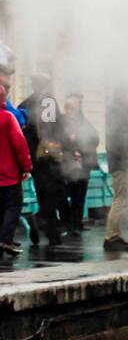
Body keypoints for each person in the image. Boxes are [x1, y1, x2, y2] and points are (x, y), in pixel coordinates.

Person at [19, 73, 65, 247]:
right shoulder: (49, 102)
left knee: (44, 194)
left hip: (34, 159)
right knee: (53, 195)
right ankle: (46, 227)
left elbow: (23, 133)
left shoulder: (24, 105)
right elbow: (57, 129)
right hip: (50, 158)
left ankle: (46, 227)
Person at [0, 75, 33, 256]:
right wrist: (26, 167)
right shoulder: (8, 118)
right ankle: (5, 240)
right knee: (13, 206)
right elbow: (20, 144)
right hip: (9, 173)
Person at [60, 93, 100, 236]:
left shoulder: (82, 121)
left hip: (82, 164)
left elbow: (95, 138)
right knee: (72, 195)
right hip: (70, 164)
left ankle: (75, 223)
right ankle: (71, 223)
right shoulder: (64, 122)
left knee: (79, 195)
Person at [104, 86, 128, 252]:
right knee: (120, 199)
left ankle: (114, 235)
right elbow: (123, 139)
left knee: (120, 198)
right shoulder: (119, 112)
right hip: (121, 162)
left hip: (118, 161)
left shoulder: (114, 110)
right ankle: (111, 237)